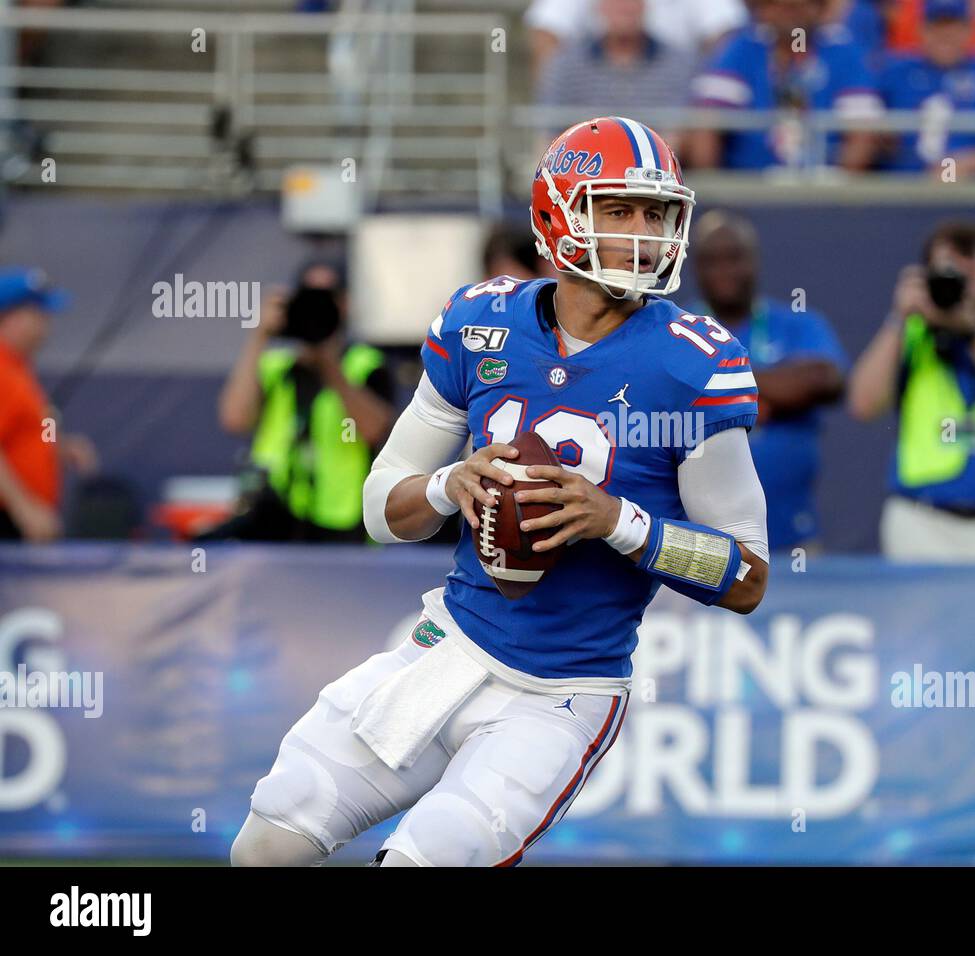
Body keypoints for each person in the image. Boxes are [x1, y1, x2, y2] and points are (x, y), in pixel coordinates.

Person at [231, 117, 770, 867]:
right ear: (558, 214)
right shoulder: (482, 323)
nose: (645, 231)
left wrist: (622, 523)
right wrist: (454, 481)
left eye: (656, 212)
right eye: (618, 210)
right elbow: (382, 508)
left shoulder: (692, 366)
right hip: (446, 648)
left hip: (561, 694)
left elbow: (746, 577)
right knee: (265, 845)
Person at [848, 222, 975, 563]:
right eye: (947, 272)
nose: (958, 284)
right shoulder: (911, 331)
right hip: (922, 522)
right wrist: (897, 320)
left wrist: (974, 334)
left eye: (970, 273)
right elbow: (863, 405)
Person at [692, 210, 846, 552]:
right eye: (711, 261)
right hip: (702, 545)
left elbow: (826, 379)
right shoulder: (680, 327)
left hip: (792, 538)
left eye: (734, 258)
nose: (724, 271)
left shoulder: (795, 323)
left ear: (754, 261)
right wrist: (769, 392)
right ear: (696, 268)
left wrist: (723, 392)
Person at [214, 258, 395, 542]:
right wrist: (259, 336)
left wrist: (329, 364)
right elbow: (235, 419)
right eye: (307, 298)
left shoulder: (365, 366)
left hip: (341, 529)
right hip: (273, 520)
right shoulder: (276, 367)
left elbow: (374, 431)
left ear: (344, 304)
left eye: (324, 299)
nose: (315, 309)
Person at [689, 0, 879, 171]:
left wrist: (839, 191)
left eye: (799, 7)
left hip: (824, 187)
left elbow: (861, 134)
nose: (789, 15)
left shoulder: (841, 52)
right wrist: (718, 189)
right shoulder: (742, 49)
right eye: (778, 5)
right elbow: (707, 125)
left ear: (819, 8)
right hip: (750, 184)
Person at [872, 0, 975, 174]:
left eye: (954, 26)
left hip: (969, 193)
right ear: (920, 29)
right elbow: (863, 127)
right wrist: (880, 137)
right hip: (899, 191)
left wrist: (965, 164)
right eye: (937, 26)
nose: (945, 35)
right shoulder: (894, 72)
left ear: (970, 29)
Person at [0, 268, 96, 542]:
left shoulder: (19, 368)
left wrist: (60, 447)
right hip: (9, 518)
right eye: (39, 315)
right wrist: (24, 508)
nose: (46, 326)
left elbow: (31, 427)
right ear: (11, 318)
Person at [535, 0, 697, 149]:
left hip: (658, 171)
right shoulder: (567, 64)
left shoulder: (679, 63)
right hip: (585, 167)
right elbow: (549, 133)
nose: (624, 6)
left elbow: (686, 132)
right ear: (599, 6)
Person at [526, 0, 746, 80]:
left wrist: (700, 90)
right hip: (592, 95)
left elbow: (725, 34)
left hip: (675, 96)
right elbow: (548, 30)